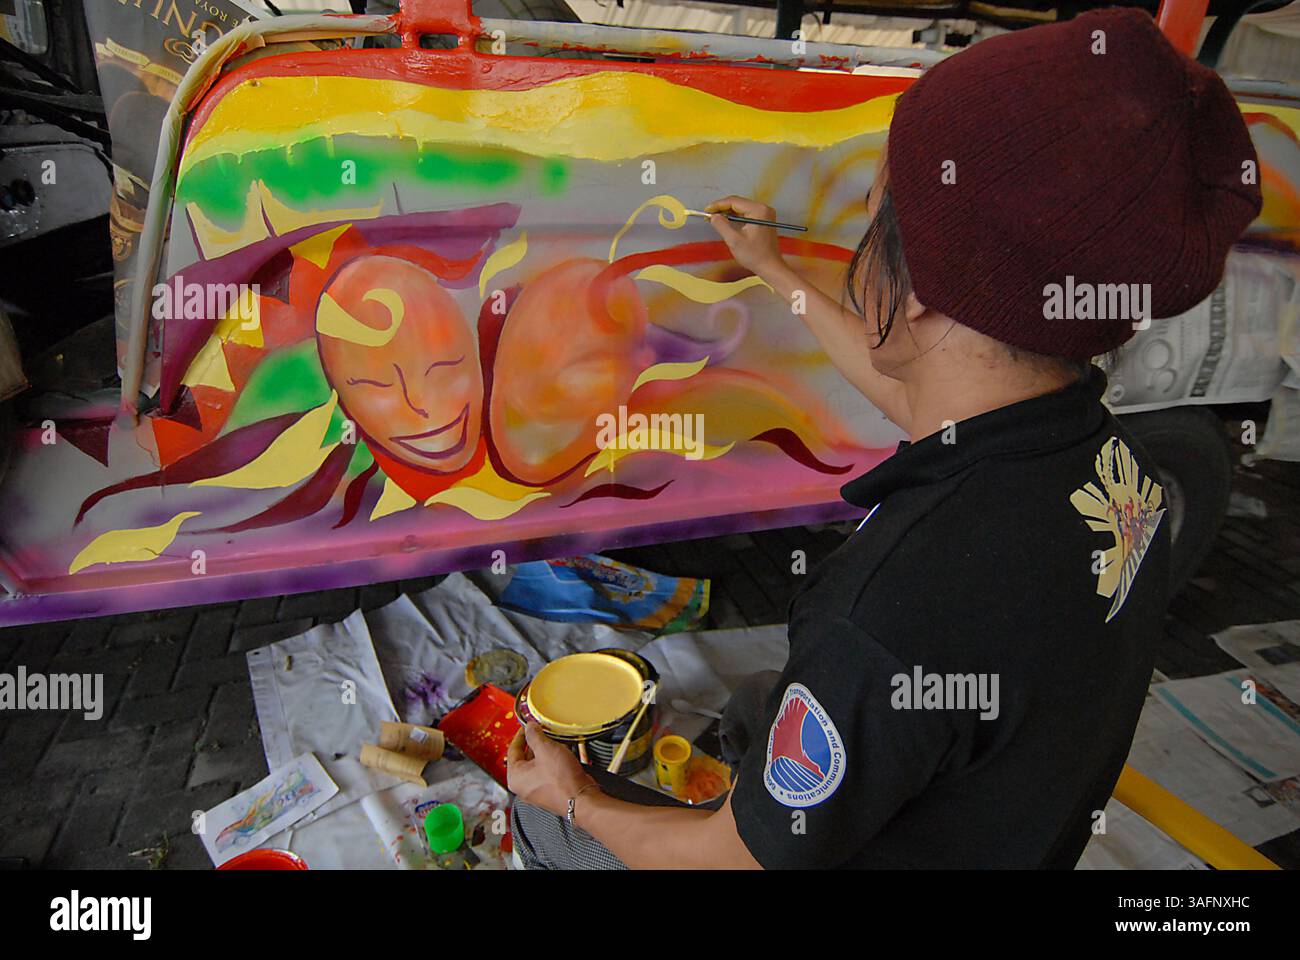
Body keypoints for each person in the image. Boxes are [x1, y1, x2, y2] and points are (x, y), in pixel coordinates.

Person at [505, 7, 1262, 869]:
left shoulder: (889, 614)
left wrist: (573, 795)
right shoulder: (1104, 461)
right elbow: (921, 399)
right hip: (1016, 830)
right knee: (761, 707)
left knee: (548, 829)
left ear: (921, 290)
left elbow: (736, 861)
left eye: (872, 223)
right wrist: (777, 272)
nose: (859, 246)